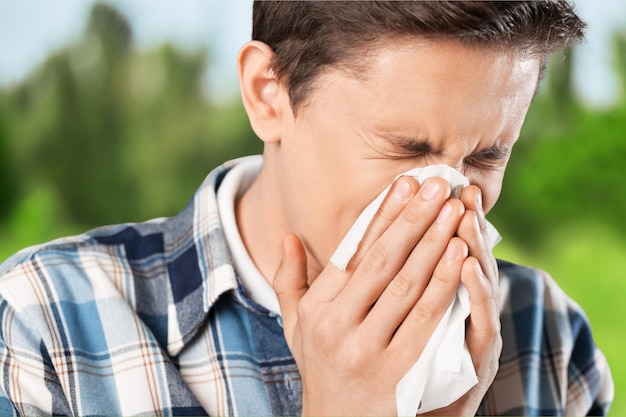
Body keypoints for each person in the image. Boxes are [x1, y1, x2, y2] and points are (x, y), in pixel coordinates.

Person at [0, 1, 614, 416]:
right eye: (408, 150)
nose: (446, 203)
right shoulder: (46, 326)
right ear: (269, 96)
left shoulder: (548, 339)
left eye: (485, 158)